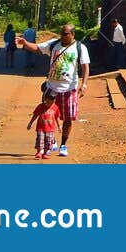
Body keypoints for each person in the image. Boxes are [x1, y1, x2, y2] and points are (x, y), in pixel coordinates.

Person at [14, 23, 90, 157]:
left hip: (69, 89)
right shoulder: (54, 44)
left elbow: (85, 67)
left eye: (65, 33)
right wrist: (25, 42)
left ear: (72, 34)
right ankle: (51, 141)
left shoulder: (80, 47)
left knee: (67, 118)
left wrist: (84, 85)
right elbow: (37, 48)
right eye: (61, 32)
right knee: (47, 116)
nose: (62, 35)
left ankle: (63, 145)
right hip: (51, 88)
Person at [28, 90, 61, 159]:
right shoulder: (40, 106)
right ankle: (39, 152)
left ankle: (46, 153)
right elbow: (35, 115)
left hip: (50, 129)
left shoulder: (55, 108)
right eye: (47, 102)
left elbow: (57, 118)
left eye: (51, 102)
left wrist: (59, 126)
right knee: (40, 140)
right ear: (44, 99)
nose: (49, 104)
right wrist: (30, 123)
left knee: (48, 141)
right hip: (40, 128)